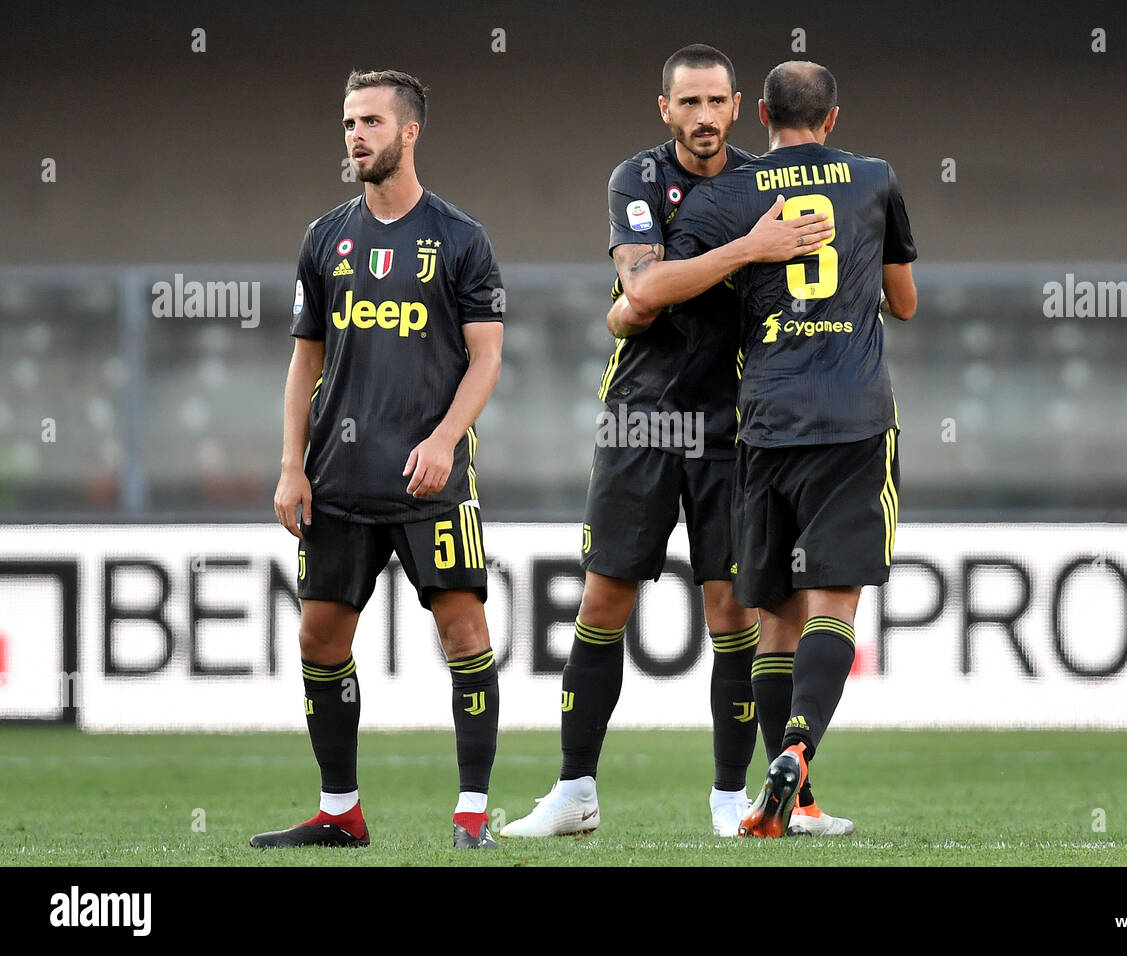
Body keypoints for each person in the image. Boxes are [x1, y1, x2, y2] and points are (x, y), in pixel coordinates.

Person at [502, 45, 840, 839]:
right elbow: (643, 290)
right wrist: (730, 257)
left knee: (732, 613)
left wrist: (640, 299)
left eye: (718, 101)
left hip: (734, 425)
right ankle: (574, 791)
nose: (704, 118)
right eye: (688, 103)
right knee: (603, 600)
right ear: (665, 109)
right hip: (643, 416)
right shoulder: (638, 180)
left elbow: (649, 297)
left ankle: (732, 799)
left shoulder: (763, 183)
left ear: (739, 107)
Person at [609, 60, 918, 837]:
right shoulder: (876, 179)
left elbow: (649, 293)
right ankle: (797, 753)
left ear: (759, 116)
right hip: (852, 420)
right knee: (834, 606)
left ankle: (786, 803)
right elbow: (905, 302)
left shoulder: (724, 197)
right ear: (833, 118)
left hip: (765, 422)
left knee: (772, 616)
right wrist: (848, 287)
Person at [251, 69, 505, 851]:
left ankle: (471, 815)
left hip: (431, 481)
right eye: (348, 122)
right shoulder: (325, 238)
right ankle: (340, 813)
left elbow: (486, 358)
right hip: (338, 481)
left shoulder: (460, 239)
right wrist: (292, 464)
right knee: (320, 640)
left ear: (410, 131)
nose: (355, 135)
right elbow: (305, 362)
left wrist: (443, 440)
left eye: (370, 122)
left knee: (463, 634)